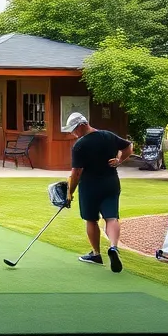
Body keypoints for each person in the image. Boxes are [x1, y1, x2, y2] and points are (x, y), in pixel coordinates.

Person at [64, 111, 132, 273]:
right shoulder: (108, 136)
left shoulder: (80, 145)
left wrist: (69, 193)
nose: (73, 133)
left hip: (90, 186)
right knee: (112, 217)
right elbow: (128, 146)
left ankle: (96, 254)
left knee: (91, 219)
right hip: (111, 183)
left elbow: (77, 172)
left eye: (74, 129)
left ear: (82, 125)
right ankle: (114, 247)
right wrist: (119, 160)